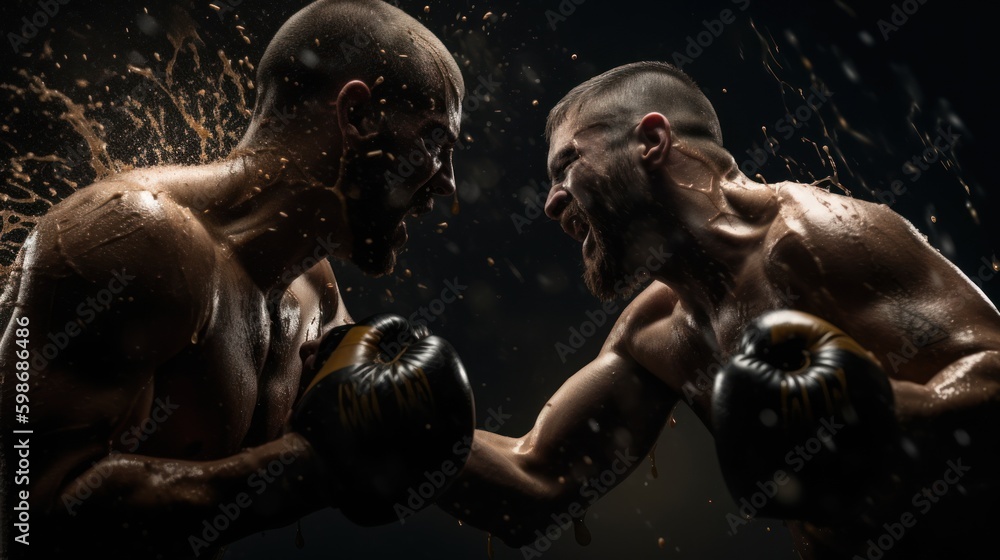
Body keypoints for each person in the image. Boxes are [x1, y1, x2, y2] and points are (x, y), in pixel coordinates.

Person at [438, 61, 1000, 559]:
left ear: (651, 141)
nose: (552, 201)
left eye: (567, 166)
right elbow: (539, 482)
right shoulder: (657, 331)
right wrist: (388, 417)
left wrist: (876, 414)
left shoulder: (814, 238)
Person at [0, 1, 475, 558]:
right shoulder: (135, 235)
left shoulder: (312, 293)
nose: (447, 185)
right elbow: (30, 513)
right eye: (436, 143)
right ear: (358, 115)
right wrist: (306, 472)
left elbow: (401, 439)